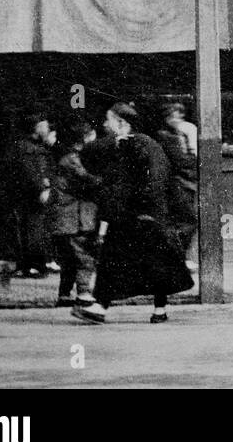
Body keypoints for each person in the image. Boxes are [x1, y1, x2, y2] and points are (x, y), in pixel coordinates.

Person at [72, 103, 194, 324]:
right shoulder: (126, 145)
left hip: (139, 215)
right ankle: (158, 310)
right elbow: (90, 155)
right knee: (155, 262)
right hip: (140, 215)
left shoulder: (143, 145)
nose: (105, 124)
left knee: (116, 260)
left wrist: (145, 209)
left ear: (122, 123)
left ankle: (101, 307)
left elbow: (154, 179)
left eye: (109, 120)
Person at [47, 120, 100, 308]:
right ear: (85, 138)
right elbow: (90, 180)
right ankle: (84, 293)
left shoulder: (69, 158)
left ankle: (64, 294)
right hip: (73, 218)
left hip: (67, 217)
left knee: (69, 259)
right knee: (83, 256)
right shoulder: (74, 160)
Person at [2, 112, 55, 278]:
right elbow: (30, 172)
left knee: (35, 228)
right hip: (31, 195)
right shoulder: (26, 147)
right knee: (33, 229)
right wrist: (41, 188)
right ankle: (34, 265)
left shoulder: (33, 146)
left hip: (36, 193)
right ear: (37, 127)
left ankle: (36, 264)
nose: (47, 129)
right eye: (45, 126)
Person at [155, 103, 199, 263]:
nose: (179, 118)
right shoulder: (167, 137)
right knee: (188, 221)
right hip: (178, 184)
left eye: (181, 114)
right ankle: (176, 258)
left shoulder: (175, 134)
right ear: (166, 118)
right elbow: (182, 162)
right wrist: (194, 154)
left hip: (182, 183)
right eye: (175, 115)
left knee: (182, 221)